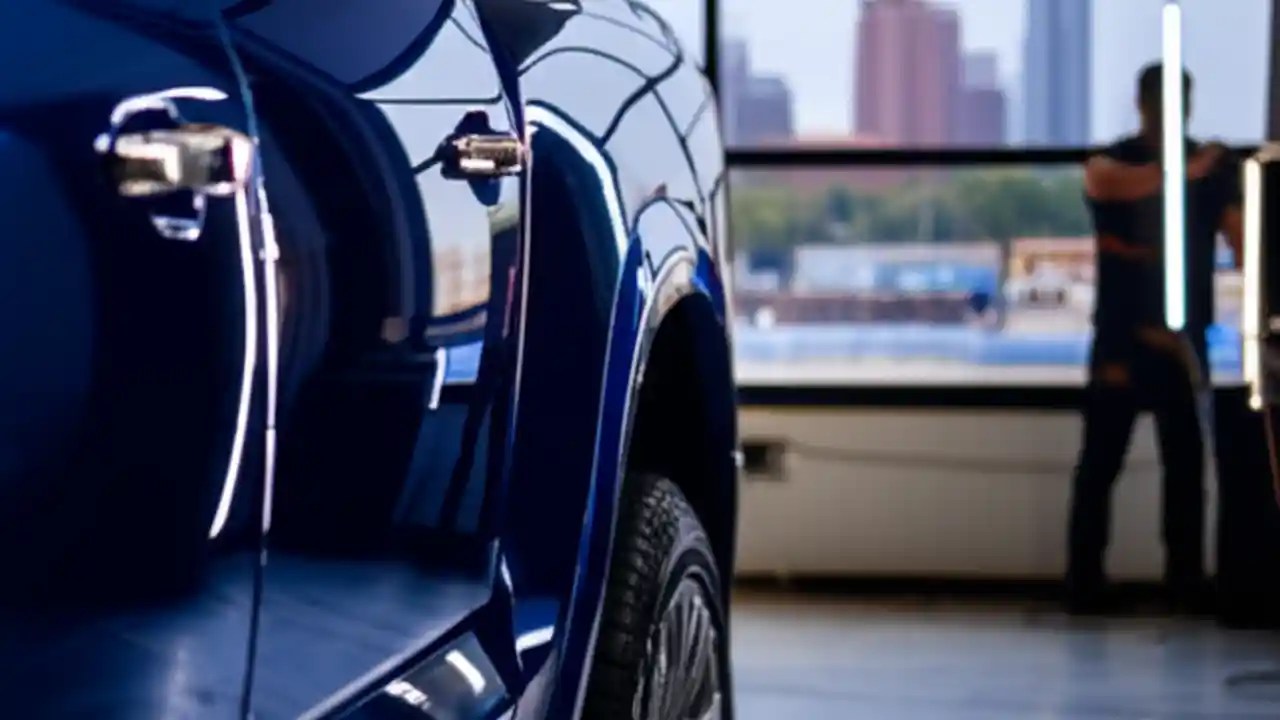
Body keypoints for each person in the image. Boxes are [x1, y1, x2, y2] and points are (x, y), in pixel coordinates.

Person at [1067, 62, 1244, 615]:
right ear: (1141, 104)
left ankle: (1185, 581)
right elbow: (1109, 182)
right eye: (1160, 102)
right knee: (1101, 462)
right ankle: (1084, 581)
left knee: (1187, 464)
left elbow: (1240, 240)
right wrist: (1197, 168)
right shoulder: (1115, 161)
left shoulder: (1211, 169)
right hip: (1121, 334)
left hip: (1183, 336)